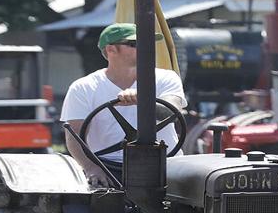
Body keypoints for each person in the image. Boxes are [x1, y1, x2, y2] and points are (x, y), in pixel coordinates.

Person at [61, 23, 188, 186]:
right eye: (134, 44)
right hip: (109, 167)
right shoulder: (83, 87)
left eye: (148, 43)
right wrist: (91, 167)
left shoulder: (166, 78)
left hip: (166, 163)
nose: (146, 48)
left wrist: (144, 100)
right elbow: (74, 136)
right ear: (111, 50)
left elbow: (170, 113)